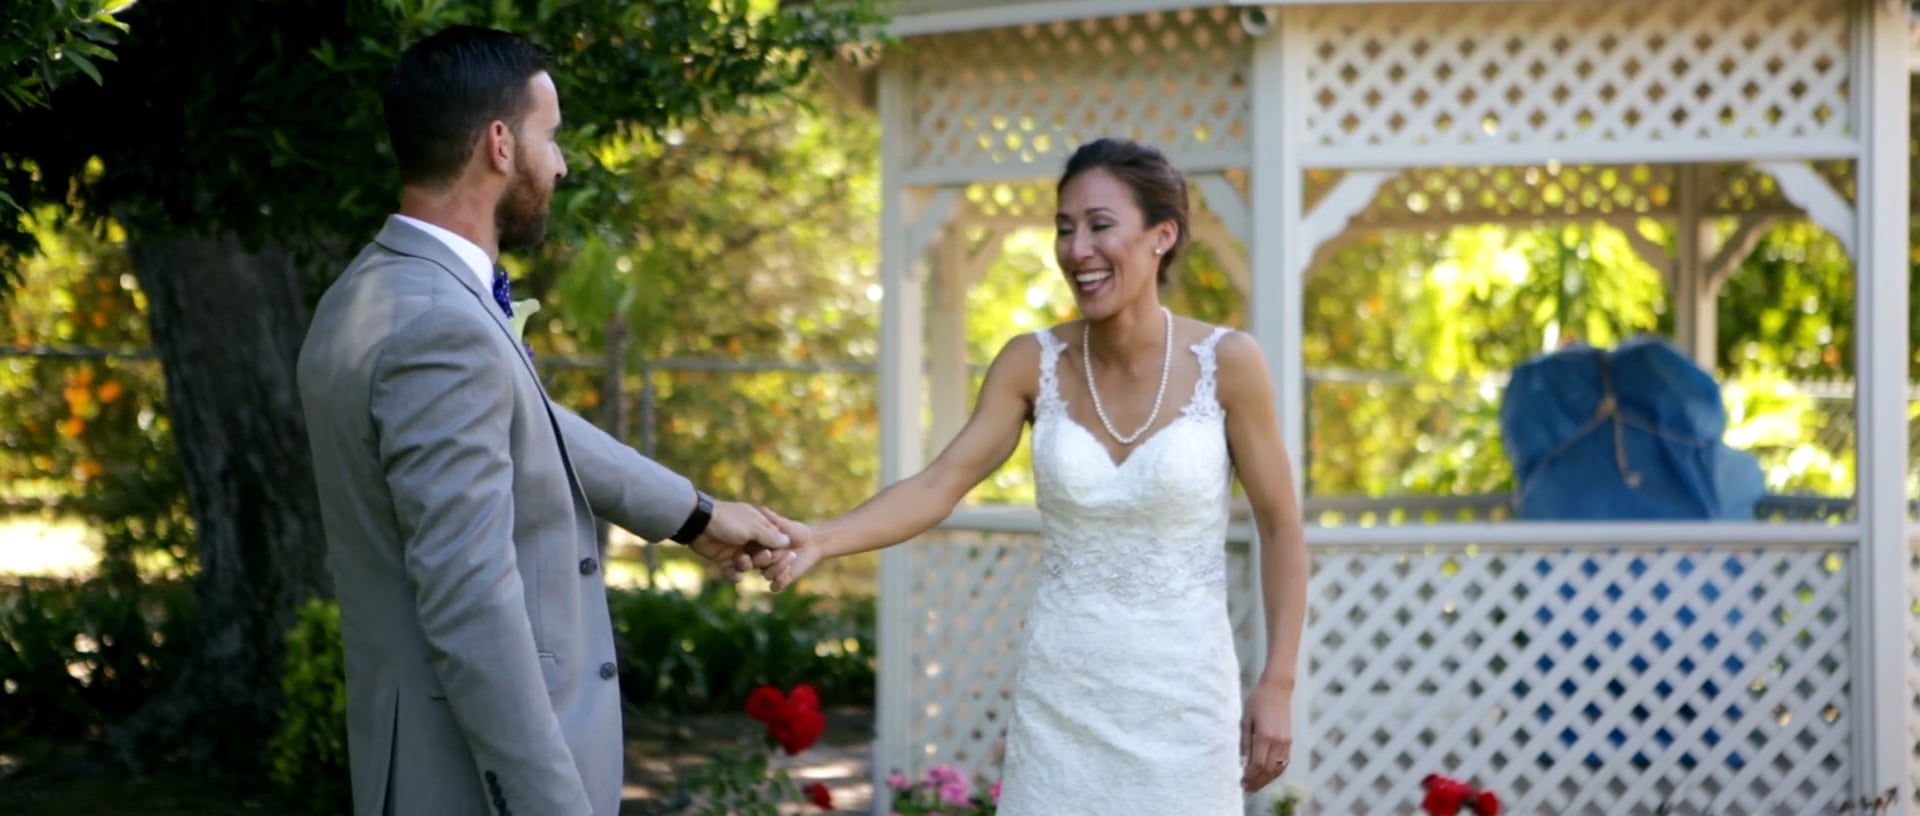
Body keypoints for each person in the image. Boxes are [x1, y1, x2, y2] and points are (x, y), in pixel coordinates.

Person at [296, 26, 789, 816]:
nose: (558, 163)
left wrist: (692, 515)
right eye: (549, 137)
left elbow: (529, 420)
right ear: (499, 145)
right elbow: (471, 606)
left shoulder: (371, 294)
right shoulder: (439, 327)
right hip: (469, 781)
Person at [758, 137, 1310, 813]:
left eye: (1100, 225)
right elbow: (939, 483)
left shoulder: (1230, 363)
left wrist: (1276, 683)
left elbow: (1281, 526)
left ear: (1161, 235)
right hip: (1061, 702)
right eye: (1065, 228)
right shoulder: (1030, 363)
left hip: (1186, 702)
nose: (1077, 249)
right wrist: (821, 538)